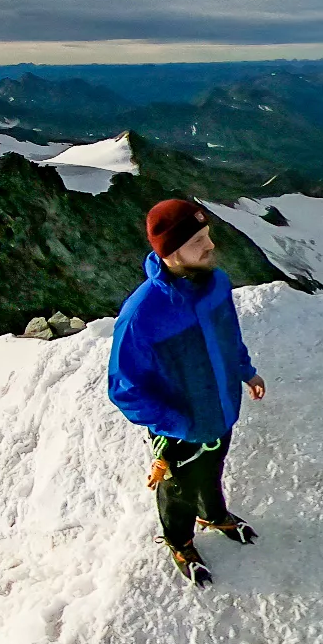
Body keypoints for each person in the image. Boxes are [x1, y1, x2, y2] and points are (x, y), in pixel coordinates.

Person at [106, 198, 267, 587]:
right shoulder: (141, 315)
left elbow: (229, 337)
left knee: (212, 467)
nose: (211, 245)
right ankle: (179, 541)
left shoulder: (217, 284)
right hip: (179, 428)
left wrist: (245, 371)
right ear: (172, 253)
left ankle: (212, 513)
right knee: (177, 487)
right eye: (198, 241)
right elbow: (124, 388)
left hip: (220, 409)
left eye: (207, 235)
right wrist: (175, 424)